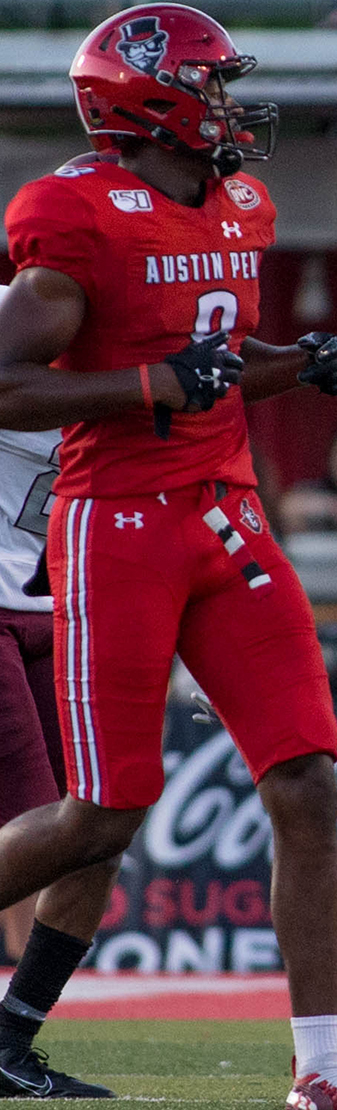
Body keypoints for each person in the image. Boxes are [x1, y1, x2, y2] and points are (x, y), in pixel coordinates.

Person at [0, 5, 337, 1109]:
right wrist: (144, 389)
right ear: (151, 99)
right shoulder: (74, 216)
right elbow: (7, 380)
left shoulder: (238, 204)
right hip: (117, 522)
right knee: (105, 810)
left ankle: (320, 1067)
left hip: (225, 513)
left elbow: (213, 362)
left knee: (308, 779)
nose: (227, 104)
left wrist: (299, 363)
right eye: (210, 83)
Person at [0, 405, 61, 965]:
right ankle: (22, 999)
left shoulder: (116, 375)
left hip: (64, 606)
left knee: (77, 815)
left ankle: (28, 1005)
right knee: (32, 812)